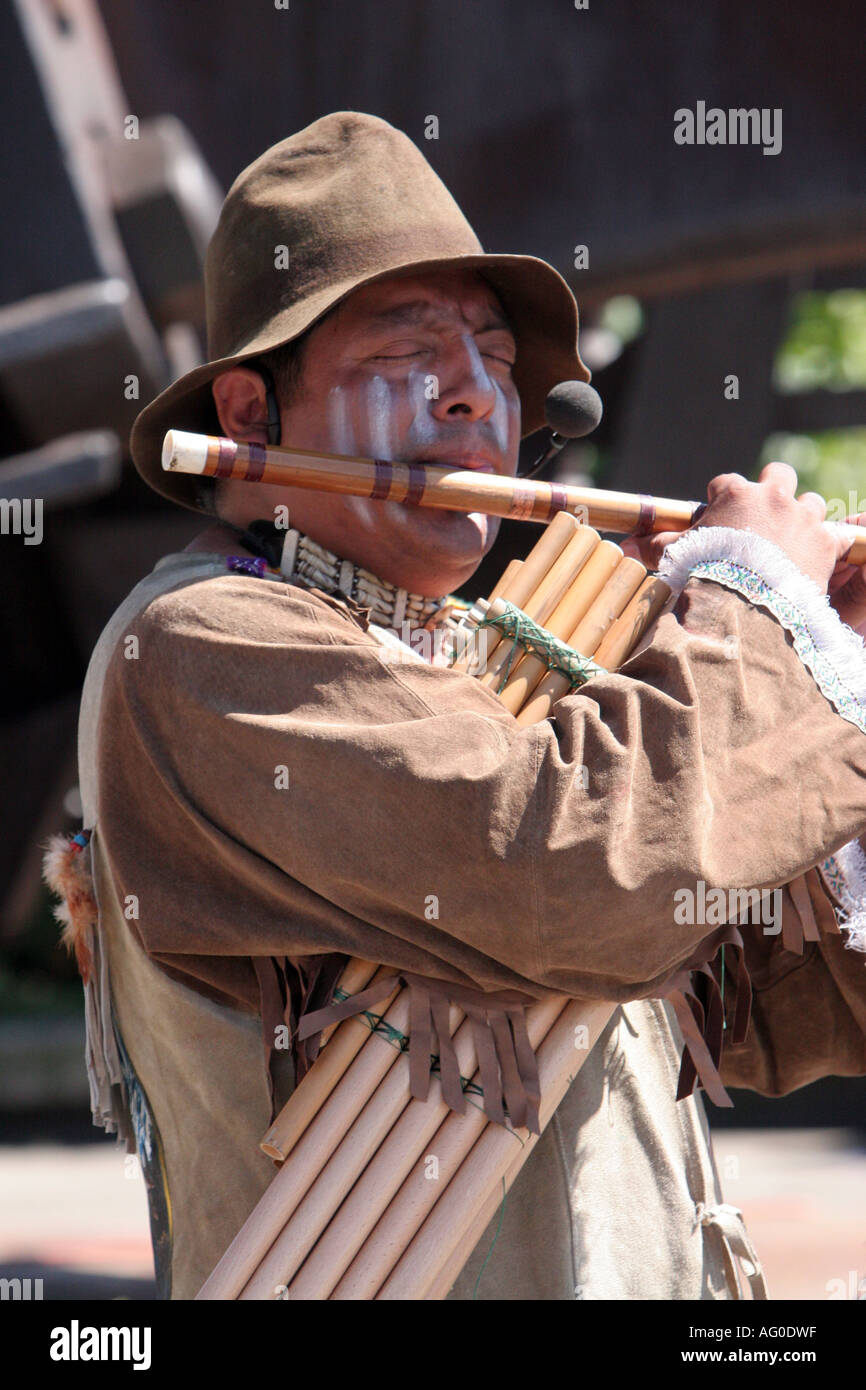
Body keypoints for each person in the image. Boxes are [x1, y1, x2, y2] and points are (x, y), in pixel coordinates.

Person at [56, 112, 866, 1301]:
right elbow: (579, 875)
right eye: (408, 351)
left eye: (491, 355)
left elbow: (780, 1000)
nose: (474, 397)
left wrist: (830, 664)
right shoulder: (200, 646)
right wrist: (750, 605)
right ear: (247, 417)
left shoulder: (506, 661)